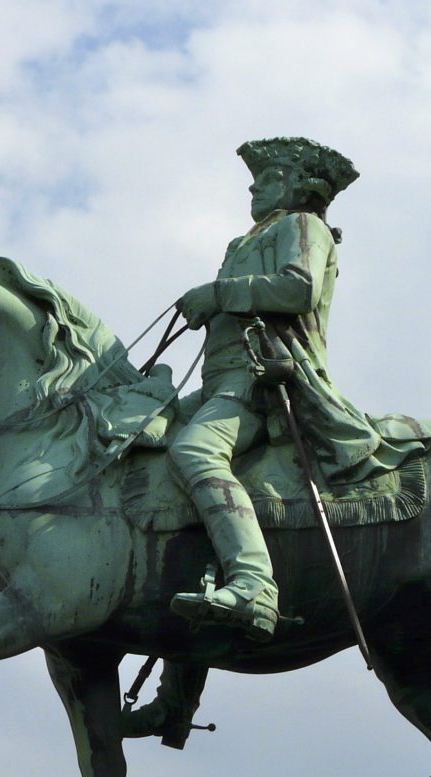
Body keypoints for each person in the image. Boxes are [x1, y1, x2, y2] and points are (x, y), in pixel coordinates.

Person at [167, 136, 363, 638]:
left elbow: (299, 288)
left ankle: (255, 584)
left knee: (195, 453)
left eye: (269, 177)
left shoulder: (305, 226)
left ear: (299, 188)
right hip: (220, 383)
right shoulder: (244, 243)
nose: (254, 185)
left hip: (266, 380)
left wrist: (218, 294)